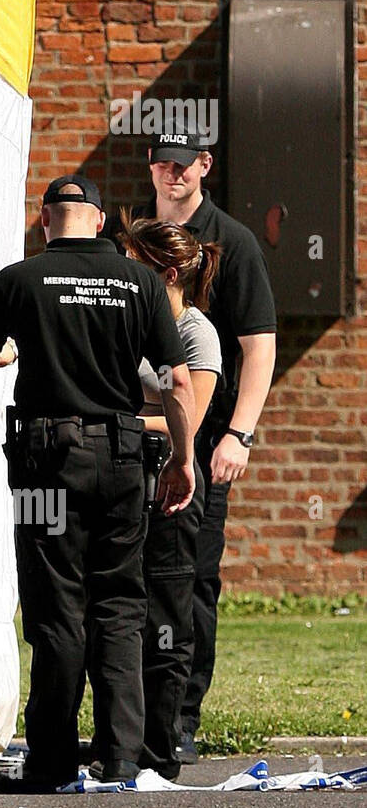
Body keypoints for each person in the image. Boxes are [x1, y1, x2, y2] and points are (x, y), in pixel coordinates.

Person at [0, 174, 195, 790]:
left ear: (45, 219)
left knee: (55, 604)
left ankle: (50, 761)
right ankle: (122, 757)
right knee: (120, 604)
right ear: (99, 221)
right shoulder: (141, 282)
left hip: (46, 466)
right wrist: (183, 457)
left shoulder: (20, 280)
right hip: (123, 460)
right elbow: (177, 381)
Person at [124, 126, 276, 762]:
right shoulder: (133, 238)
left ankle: (180, 716)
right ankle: (130, 718)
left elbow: (258, 346)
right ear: (151, 166)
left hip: (202, 434)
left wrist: (239, 434)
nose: (174, 174)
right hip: (131, 442)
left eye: (184, 164)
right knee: (126, 581)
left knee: (191, 580)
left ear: (204, 165)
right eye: (164, 164)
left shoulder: (232, 241)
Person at [91, 215, 222, 780]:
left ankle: (162, 745)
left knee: (167, 612)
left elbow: (188, 419)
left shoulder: (196, 333)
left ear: (167, 274)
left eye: (135, 263)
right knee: (116, 610)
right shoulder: (130, 323)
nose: (124, 273)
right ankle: (115, 740)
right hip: (122, 476)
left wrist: (115, 420)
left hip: (172, 480)